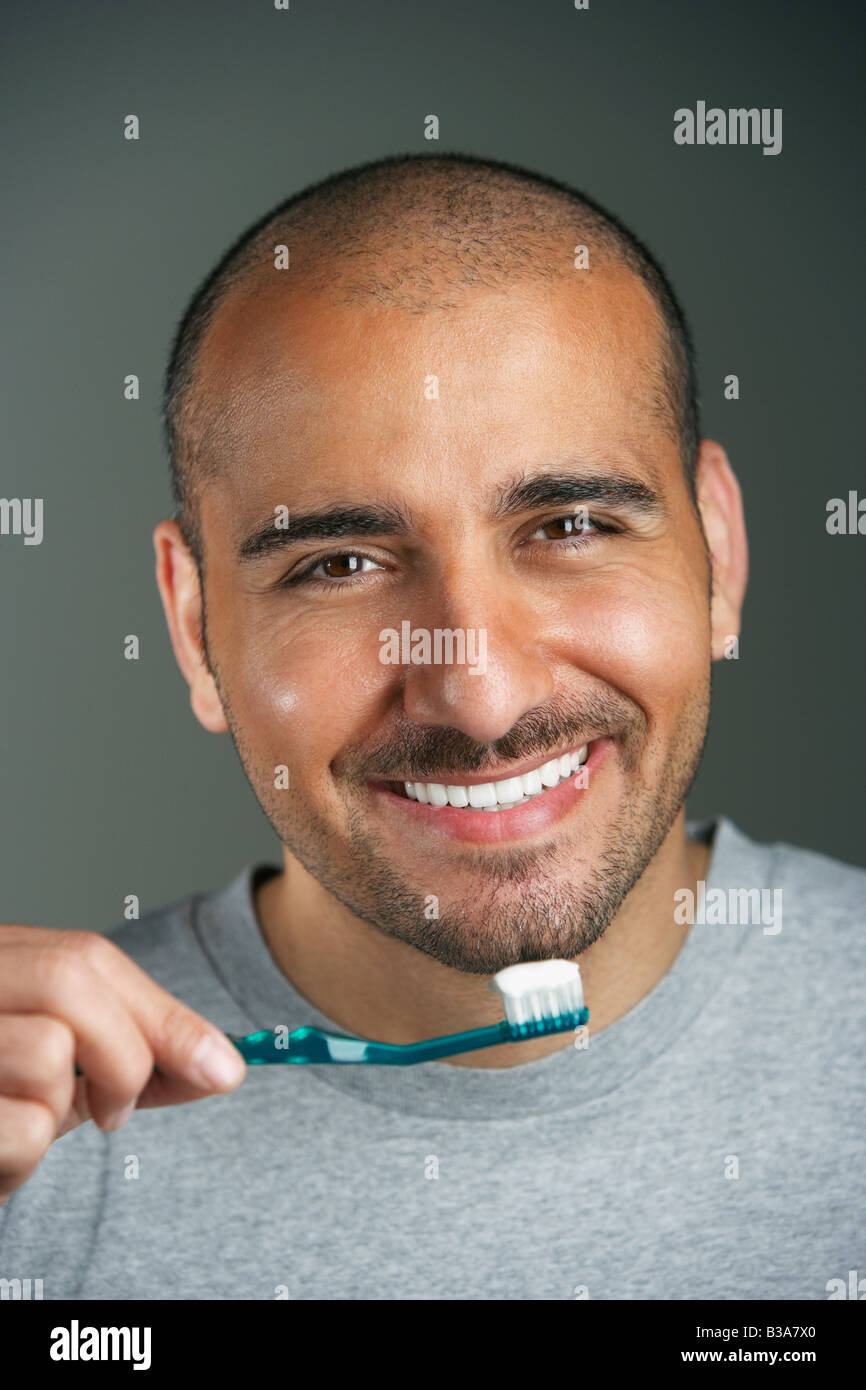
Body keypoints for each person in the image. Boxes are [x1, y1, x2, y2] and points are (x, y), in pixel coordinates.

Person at [1, 153, 863, 1300]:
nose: (480, 695)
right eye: (339, 564)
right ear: (193, 623)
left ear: (717, 550)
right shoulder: (30, 1147)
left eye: (570, 525)